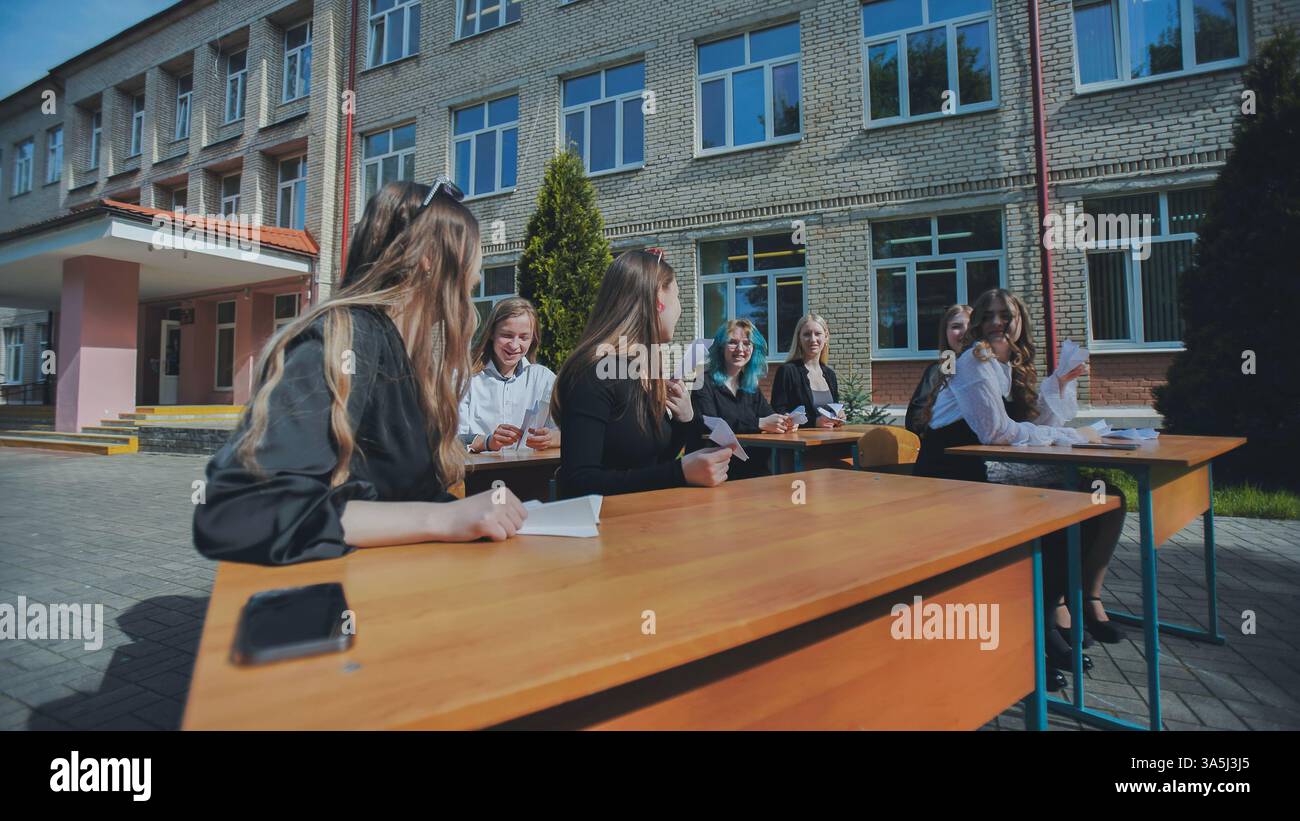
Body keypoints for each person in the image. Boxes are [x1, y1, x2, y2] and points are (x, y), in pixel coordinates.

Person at [193, 179, 527, 565]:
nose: (475, 282)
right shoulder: (345, 340)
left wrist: (469, 517)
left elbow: (399, 503)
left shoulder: (406, 362)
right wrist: (444, 517)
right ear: (430, 257)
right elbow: (239, 513)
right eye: (471, 267)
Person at [913, 288, 1126, 687]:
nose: (996, 323)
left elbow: (1039, 426)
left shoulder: (1009, 365)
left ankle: (1058, 606)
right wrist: (1068, 438)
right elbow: (997, 432)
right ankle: (1036, 627)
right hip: (948, 476)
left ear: (1020, 322)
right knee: (1071, 502)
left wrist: (1059, 385)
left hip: (986, 469)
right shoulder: (976, 360)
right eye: (988, 316)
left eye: (1005, 316)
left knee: (1103, 496)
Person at [552, 250, 733, 498]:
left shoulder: (642, 370)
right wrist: (679, 473)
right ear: (658, 296)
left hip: (647, 523)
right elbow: (579, 482)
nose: (680, 309)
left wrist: (686, 420)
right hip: (606, 530)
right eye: (678, 297)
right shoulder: (594, 373)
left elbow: (651, 462)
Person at [688, 319, 796, 480]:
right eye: (732, 342)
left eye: (747, 343)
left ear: (753, 349)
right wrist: (759, 423)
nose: (740, 349)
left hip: (752, 470)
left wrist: (785, 421)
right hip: (716, 472)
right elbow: (710, 425)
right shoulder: (703, 382)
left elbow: (769, 417)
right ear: (720, 347)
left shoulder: (750, 385)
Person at [459, 297, 560, 453]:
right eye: (507, 335)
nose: (514, 345)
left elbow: (570, 431)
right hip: (477, 473)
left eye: (524, 337)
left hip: (530, 472)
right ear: (491, 333)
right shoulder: (464, 378)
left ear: (533, 338)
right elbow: (449, 440)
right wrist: (488, 442)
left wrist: (550, 438)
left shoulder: (544, 379)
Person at [904, 304, 971, 435]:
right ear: (945, 334)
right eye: (956, 326)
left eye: (970, 326)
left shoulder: (992, 369)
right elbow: (913, 421)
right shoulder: (937, 371)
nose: (965, 331)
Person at [770, 313, 844, 427]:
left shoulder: (830, 375)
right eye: (807, 334)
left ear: (826, 336)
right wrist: (814, 422)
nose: (813, 339)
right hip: (800, 442)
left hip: (830, 441)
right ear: (799, 339)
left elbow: (834, 408)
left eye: (818, 333)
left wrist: (838, 415)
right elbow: (778, 412)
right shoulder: (787, 371)